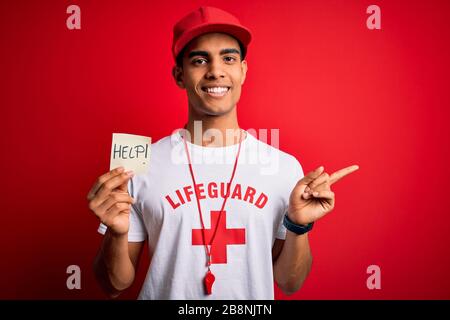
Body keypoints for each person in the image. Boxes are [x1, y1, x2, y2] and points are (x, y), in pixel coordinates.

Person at [87, 6, 358, 300]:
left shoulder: (283, 167)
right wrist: (115, 233)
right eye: (200, 60)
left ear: (242, 70)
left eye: (228, 58)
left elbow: (289, 283)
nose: (215, 71)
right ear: (179, 75)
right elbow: (114, 286)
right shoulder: (137, 164)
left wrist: (298, 226)